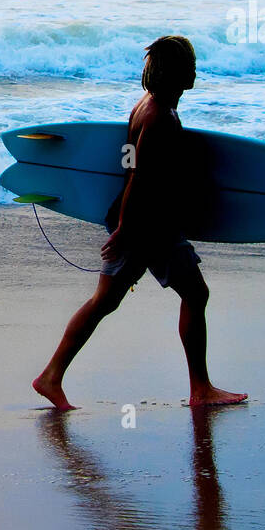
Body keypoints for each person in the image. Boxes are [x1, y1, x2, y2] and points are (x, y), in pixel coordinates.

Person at [32, 35, 248, 412]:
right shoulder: (161, 117)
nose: (195, 70)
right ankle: (200, 388)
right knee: (192, 295)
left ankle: (51, 376)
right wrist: (126, 230)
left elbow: (130, 164)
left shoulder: (147, 107)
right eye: (190, 65)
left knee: (107, 301)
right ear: (175, 73)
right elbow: (139, 179)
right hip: (148, 227)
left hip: (144, 222)